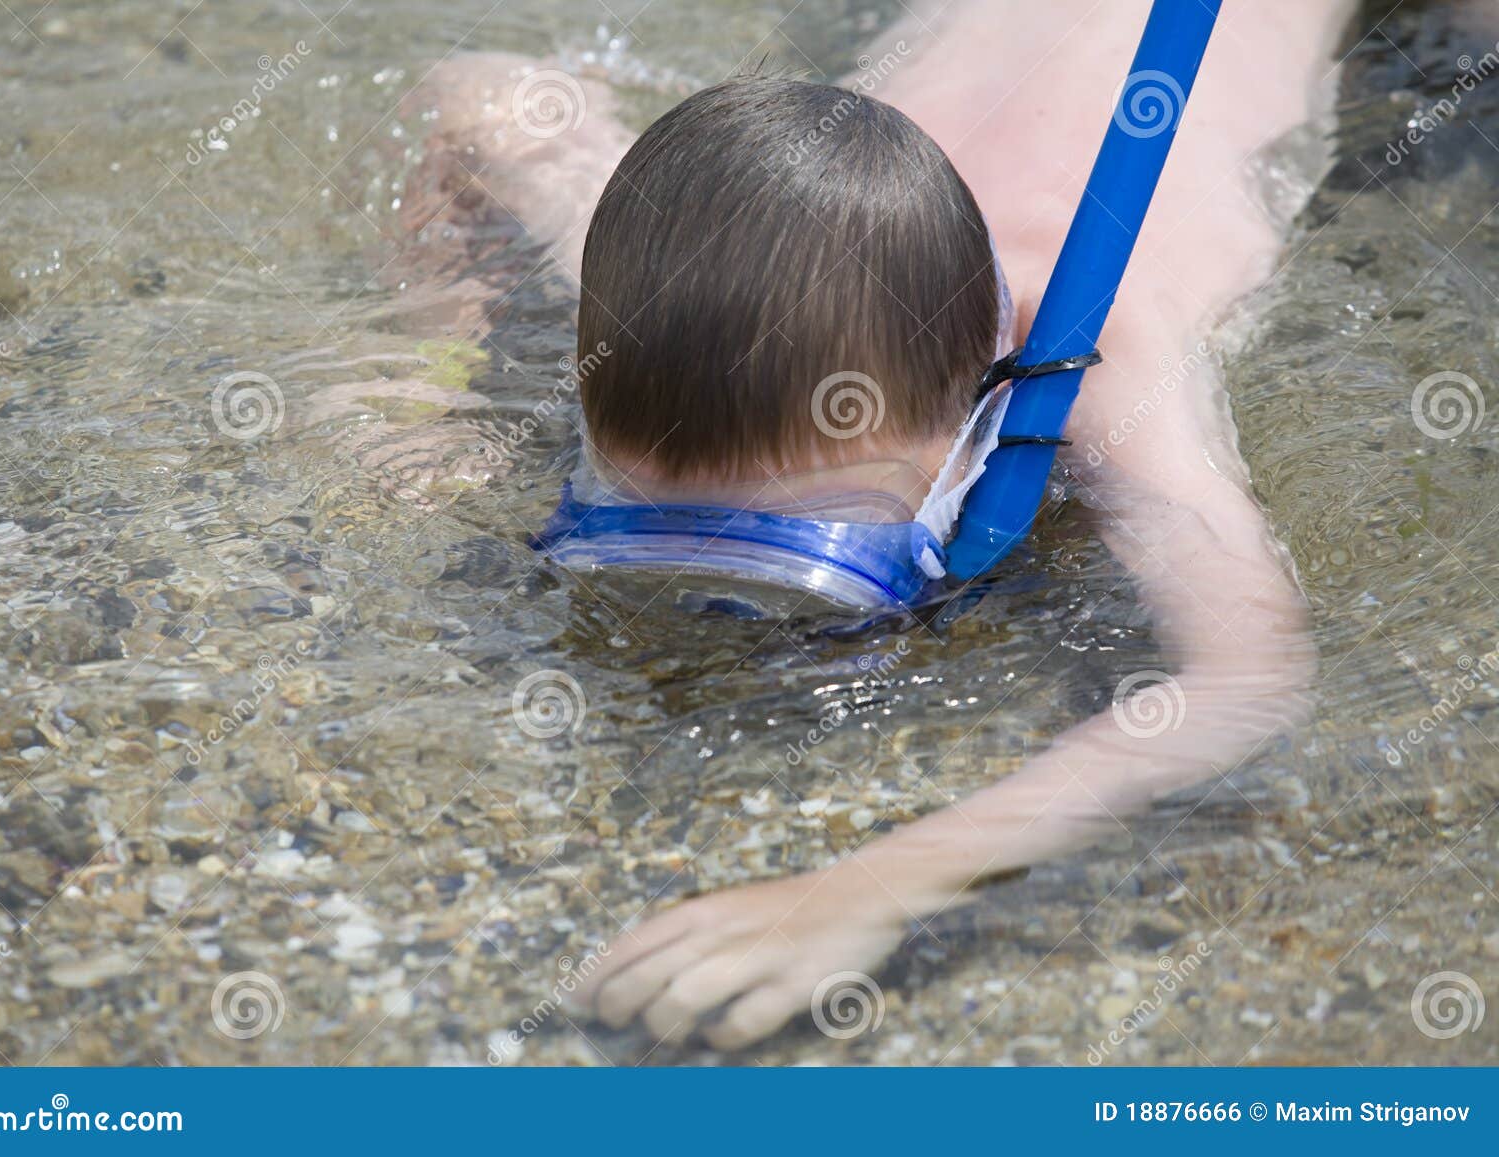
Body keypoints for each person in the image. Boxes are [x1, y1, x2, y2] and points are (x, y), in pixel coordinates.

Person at [419, 0, 1353, 1049]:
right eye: (636, 517)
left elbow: (1244, 679)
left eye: (827, 547)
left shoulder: (1096, 359)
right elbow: (481, 94)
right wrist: (424, 369)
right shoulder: (648, 279)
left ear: (969, 425)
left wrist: (876, 883)